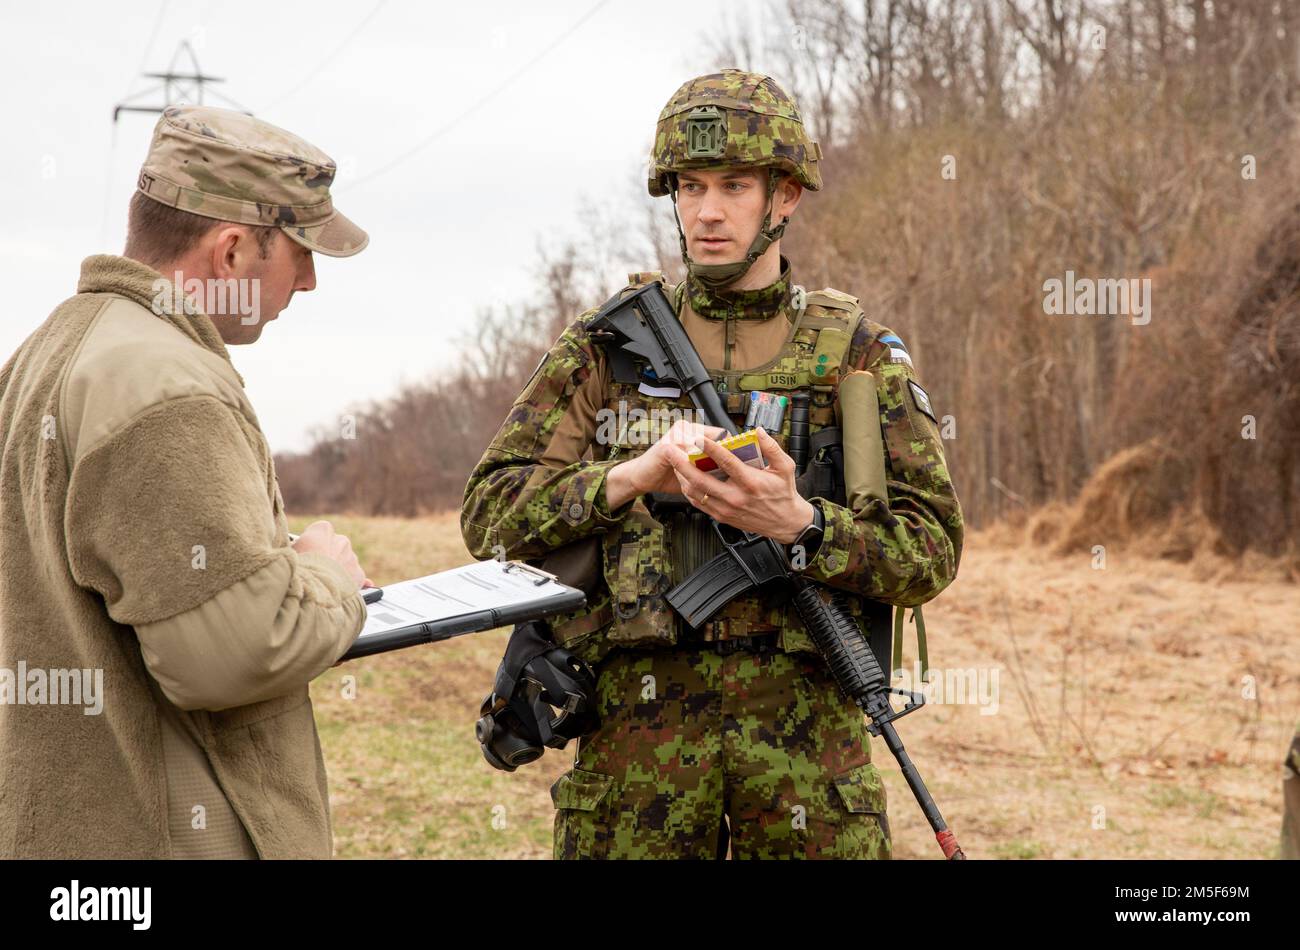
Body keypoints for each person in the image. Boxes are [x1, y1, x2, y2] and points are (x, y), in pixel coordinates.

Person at [462, 69, 963, 859]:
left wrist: (800, 523)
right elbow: (490, 515)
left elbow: (930, 552)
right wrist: (629, 478)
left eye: (734, 185)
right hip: (639, 756)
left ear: (785, 196)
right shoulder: (608, 347)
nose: (707, 211)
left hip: (806, 757)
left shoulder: (857, 356)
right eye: (690, 186)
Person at [0, 105, 371, 858]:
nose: (307, 281)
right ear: (232, 251)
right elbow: (233, 653)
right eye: (299, 250)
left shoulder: (48, 352)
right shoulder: (167, 387)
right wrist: (326, 580)